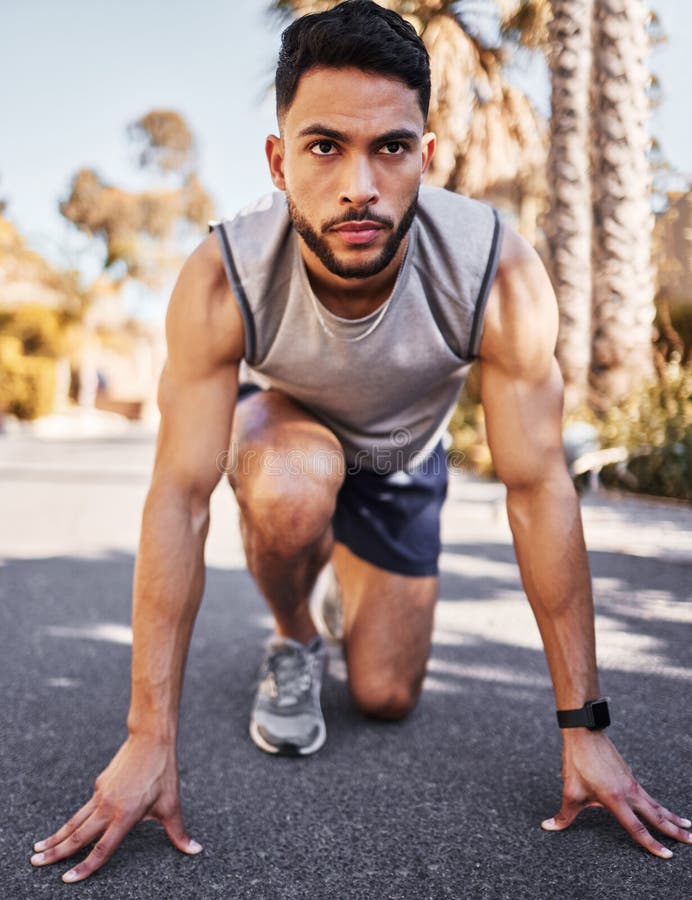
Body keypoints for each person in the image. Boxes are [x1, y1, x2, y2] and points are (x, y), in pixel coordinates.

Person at [30, 0, 690, 883]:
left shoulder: (495, 271)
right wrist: (148, 735)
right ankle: (296, 635)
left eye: (391, 148)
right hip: (288, 439)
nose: (360, 186)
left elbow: (539, 489)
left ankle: (354, 578)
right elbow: (180, 498)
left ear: (426, 154)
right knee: (294, 481)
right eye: (324, 147)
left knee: (384, 695)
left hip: (404, 458)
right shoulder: (225, 276)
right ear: (278, 161)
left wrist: (586, 729)